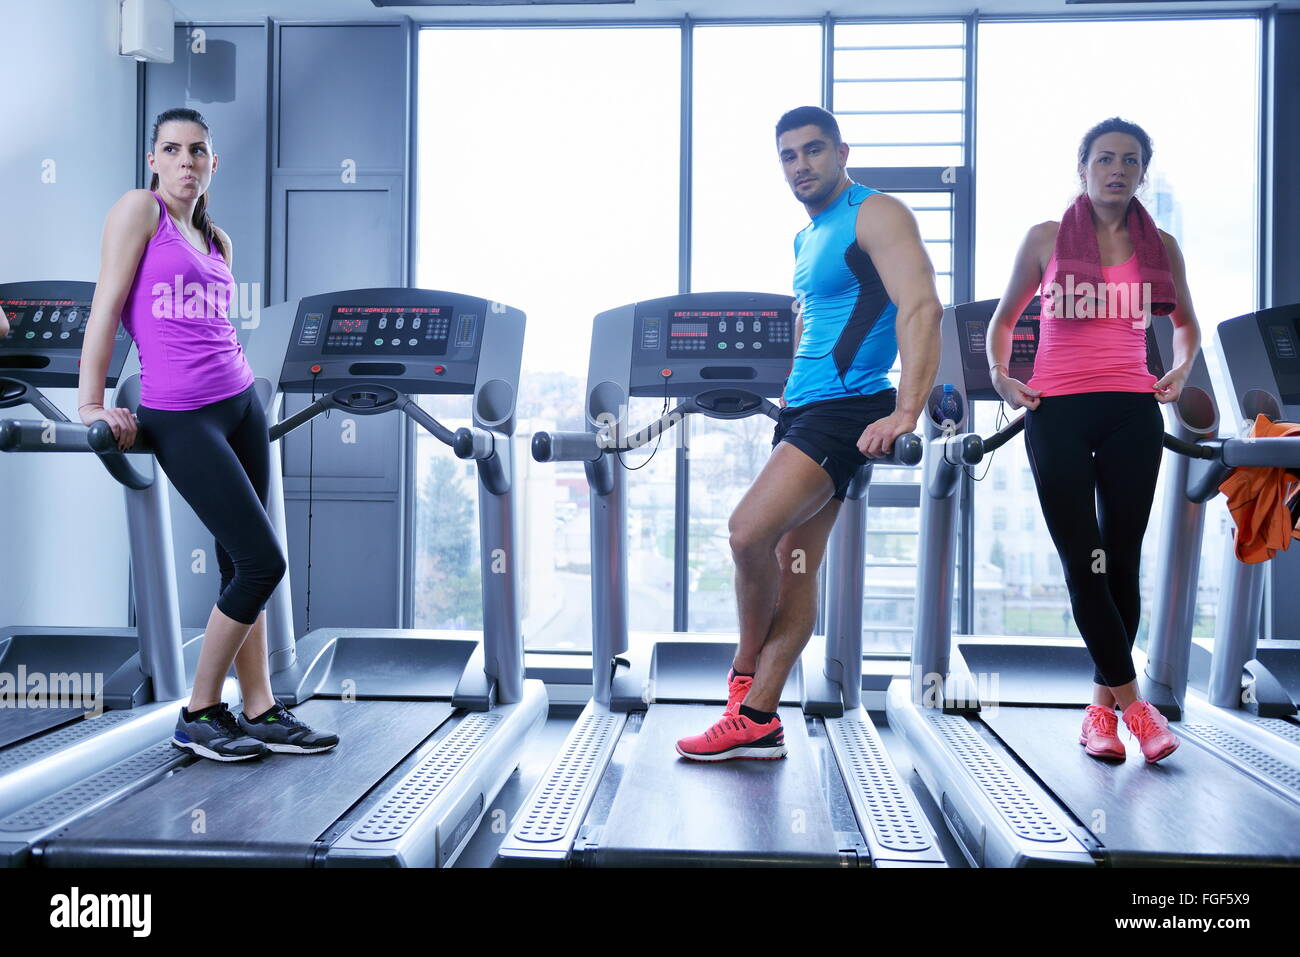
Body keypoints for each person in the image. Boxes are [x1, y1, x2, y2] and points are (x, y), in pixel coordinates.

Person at [676, 105, 943, 760]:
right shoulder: (808, 237)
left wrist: (907, 411)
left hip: (849, 408)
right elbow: (820, 322)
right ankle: (760, 718)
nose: (802, 165)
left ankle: (743, 673)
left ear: (841, 152)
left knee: (746, 531)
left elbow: (921, 304)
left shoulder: (876, 212)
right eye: (789, 155)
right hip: (806, 408)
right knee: (795, 567)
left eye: (814, 150)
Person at [77, 107, 337, 762]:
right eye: (173, 149)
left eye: (198, 151)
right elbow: (106, 308)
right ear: (153, 160)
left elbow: (212, 331)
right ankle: (198, 710)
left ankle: (259, 710)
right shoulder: (140, 212)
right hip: (180, 414)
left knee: (233, 563)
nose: (186, 160)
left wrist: (247, 397)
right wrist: (89, 403)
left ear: (212, 163)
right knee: (262, 562)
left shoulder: (219, 242)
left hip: (241, 404)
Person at [985, 117, 1201, 764]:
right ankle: (1137, 709)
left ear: (1141, 173)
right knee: (1087, 560)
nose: (1117, 169)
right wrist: (1002, 377)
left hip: (1133, 411)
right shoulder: (1046, 239)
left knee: (1122, 559)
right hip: (1058, 411)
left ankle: (1099, 714)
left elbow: (1186, 324)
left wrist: (1181, 366)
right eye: (1105, 158)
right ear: (1081, 169)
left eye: (1130, 161)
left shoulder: (1158, 244)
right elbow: (1002, 324)